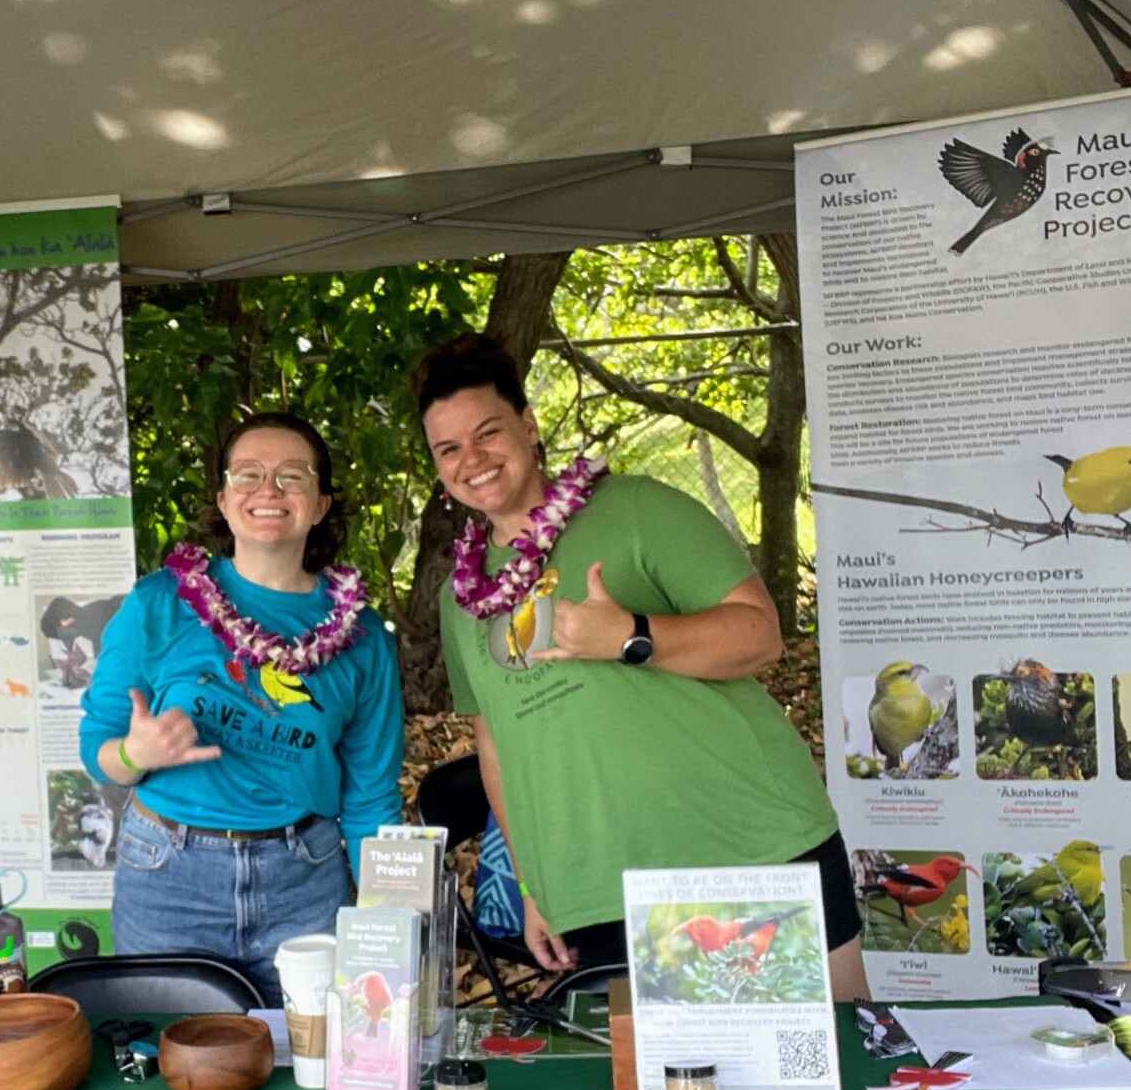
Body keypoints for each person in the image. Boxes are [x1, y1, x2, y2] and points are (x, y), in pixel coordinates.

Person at [412, 333, 866, 998]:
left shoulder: (634, 509)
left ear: (529, 425)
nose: (471, 459)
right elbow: (497, 746)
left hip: (749, 851)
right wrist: (535, 882)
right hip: (604, 886)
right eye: (448, 449)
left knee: (831, 1078)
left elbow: (759, 634)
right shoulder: (464, 594)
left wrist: (631, 634)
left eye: (488, 433)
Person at [80, 413, 404, 1002]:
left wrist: (391, 925)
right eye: (249, 474)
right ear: (225, 501)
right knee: (167, 1061)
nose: (269, 490)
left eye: (292, 476)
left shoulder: (365, 639)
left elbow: (371, 802)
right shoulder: (160, 604)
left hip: (304, 881)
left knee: (314, 1067)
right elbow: (99, 751)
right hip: (167, 879)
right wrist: (136, 753)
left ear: (322, 503)